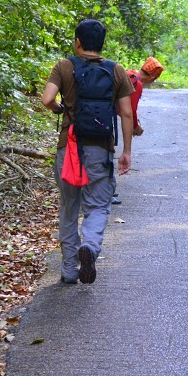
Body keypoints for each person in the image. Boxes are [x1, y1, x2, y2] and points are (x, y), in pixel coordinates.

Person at [39, 19, 135, 284]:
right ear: (101, 43)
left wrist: (62, 109)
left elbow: (47, 99)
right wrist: (126, 150)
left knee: (69, 208)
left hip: (69, 149)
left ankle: (70, 270)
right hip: (101, 151)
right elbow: (126, 112)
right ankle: (90, 247)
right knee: (98, 207)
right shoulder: (116, 71)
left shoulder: (64, 66)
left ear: (77, 41)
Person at [110, 58, 160, 207]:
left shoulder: (129, 73)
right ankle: (106, 193)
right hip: (106, 119)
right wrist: (135, 127)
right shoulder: (136, 84)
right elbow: (130, 111)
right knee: (106, 154)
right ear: (152, 77)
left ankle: (108, 190)